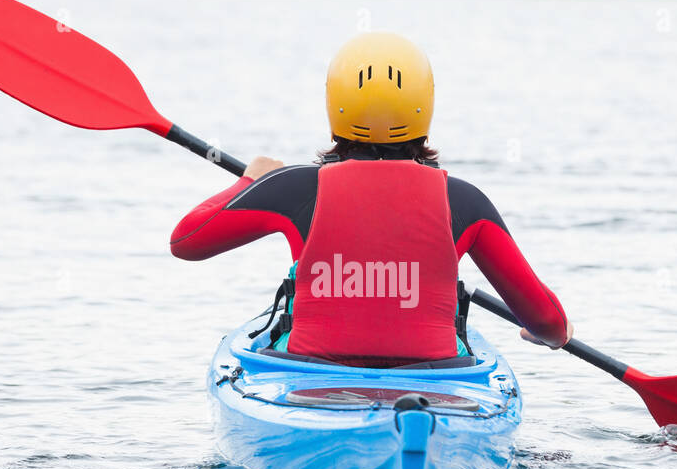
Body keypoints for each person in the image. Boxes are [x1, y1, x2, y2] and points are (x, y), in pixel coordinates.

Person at [170, 32, 571, 367]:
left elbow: (186, 243)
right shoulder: (464, 201)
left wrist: (250, 181)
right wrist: (547, 332)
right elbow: (549, 322)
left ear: (334, 104)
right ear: (425, 104)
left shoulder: (293, 187)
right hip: (438, 382)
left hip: (310, 379)